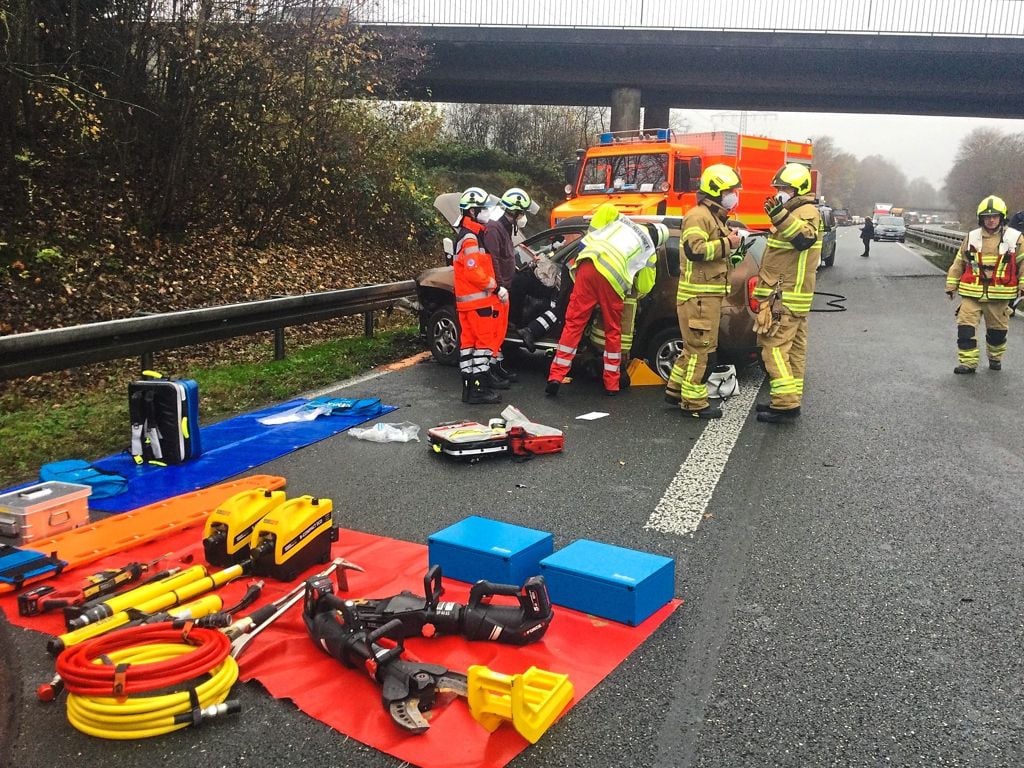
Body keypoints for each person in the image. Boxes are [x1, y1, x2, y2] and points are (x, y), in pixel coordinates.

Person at [545, 203, 662, 396]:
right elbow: (644, 287)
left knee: (573, 324)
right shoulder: (648, 248)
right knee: (613, 331)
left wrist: (590, 237)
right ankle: (611, 384)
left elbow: (605, 209)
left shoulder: (623, 223)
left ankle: (555, 376)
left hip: (588, 263)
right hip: (612, 278)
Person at [664, 163, 744, 419]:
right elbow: (695, 250)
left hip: (704, 297)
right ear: (716, 191)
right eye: (730, 191)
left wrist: (731, 248)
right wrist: (727, 243)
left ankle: (675, 391)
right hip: (698, 298)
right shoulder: (698, 216)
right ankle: (694, 403)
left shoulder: (712, 216)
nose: (733, 195)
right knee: (702, 352)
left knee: (692, 350)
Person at [752, 163, 822, 423]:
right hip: (792, 296)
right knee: (793, 352)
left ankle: (784, 404)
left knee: (774, 349)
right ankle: (789, 398)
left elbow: (804, 239)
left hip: (785, 296)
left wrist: (780, 216)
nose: (779, 193)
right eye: (778, 188)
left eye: (784, 188)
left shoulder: (805, 212)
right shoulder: (796, 211)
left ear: (798, 189)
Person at [944, 195, 1024, 374]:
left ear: (1002, 217)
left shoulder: (1015, 238)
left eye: (995, 216)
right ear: (981, 218)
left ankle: (995, 358)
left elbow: (1022, 264)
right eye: (987, 217)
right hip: (972, 294)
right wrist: (951, 285)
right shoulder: (972, 237)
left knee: (997, 334)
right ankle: (968, 363)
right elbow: (959, 262)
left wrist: (1023, 285)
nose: (991, 220)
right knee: (965, 329)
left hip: (999, 296)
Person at [453, 186, 504, 405]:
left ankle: (469, 389)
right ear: (472, 211)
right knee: (483, 346)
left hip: (467, 303)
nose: (487, 213)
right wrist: (495, 288)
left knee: (468, 346)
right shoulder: (471, 238)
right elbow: (473, 271)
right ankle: (479, 389)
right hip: (479, 303)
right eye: (483, 209)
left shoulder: (467, 235)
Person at [481, 187, 533, 385]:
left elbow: (506, 256)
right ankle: (490, 371)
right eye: (522, 213)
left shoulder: (505, 228)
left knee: (500, 331)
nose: (523, 217)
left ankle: (497, 366)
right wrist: (499, 286)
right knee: (493, 332)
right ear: (515, 212)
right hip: (497, 289)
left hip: (505, 287)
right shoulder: (495, 229)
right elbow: (493, 260)